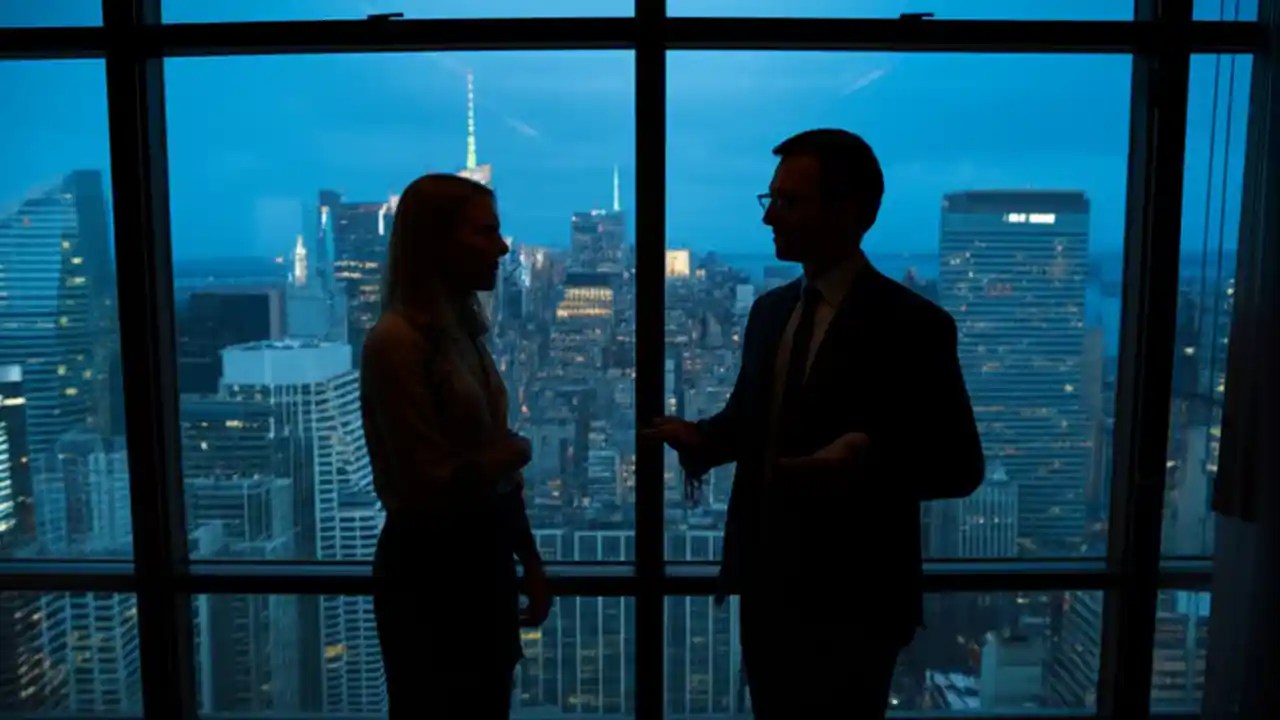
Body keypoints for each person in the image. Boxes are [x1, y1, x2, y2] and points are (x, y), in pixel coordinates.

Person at [644, 129, 984, 717]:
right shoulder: (771, 312)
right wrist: (703, 440)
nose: (769, 217)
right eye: (769, 199)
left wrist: (865, 461)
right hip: (768, 581)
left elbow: (959, 465)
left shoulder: (913, 325)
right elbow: (756, 418)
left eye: (789, 200)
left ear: (850, 210)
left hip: (856, 595)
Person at [360, 173, 551, 718]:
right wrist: (507, 454)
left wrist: (528, 561)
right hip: (431, 575)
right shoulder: (396, 343)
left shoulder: (461, 337)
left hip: (477, 565)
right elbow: (424, 482)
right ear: (437, 243)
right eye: (484, 233)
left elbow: (489, 476)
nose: (503, 247)